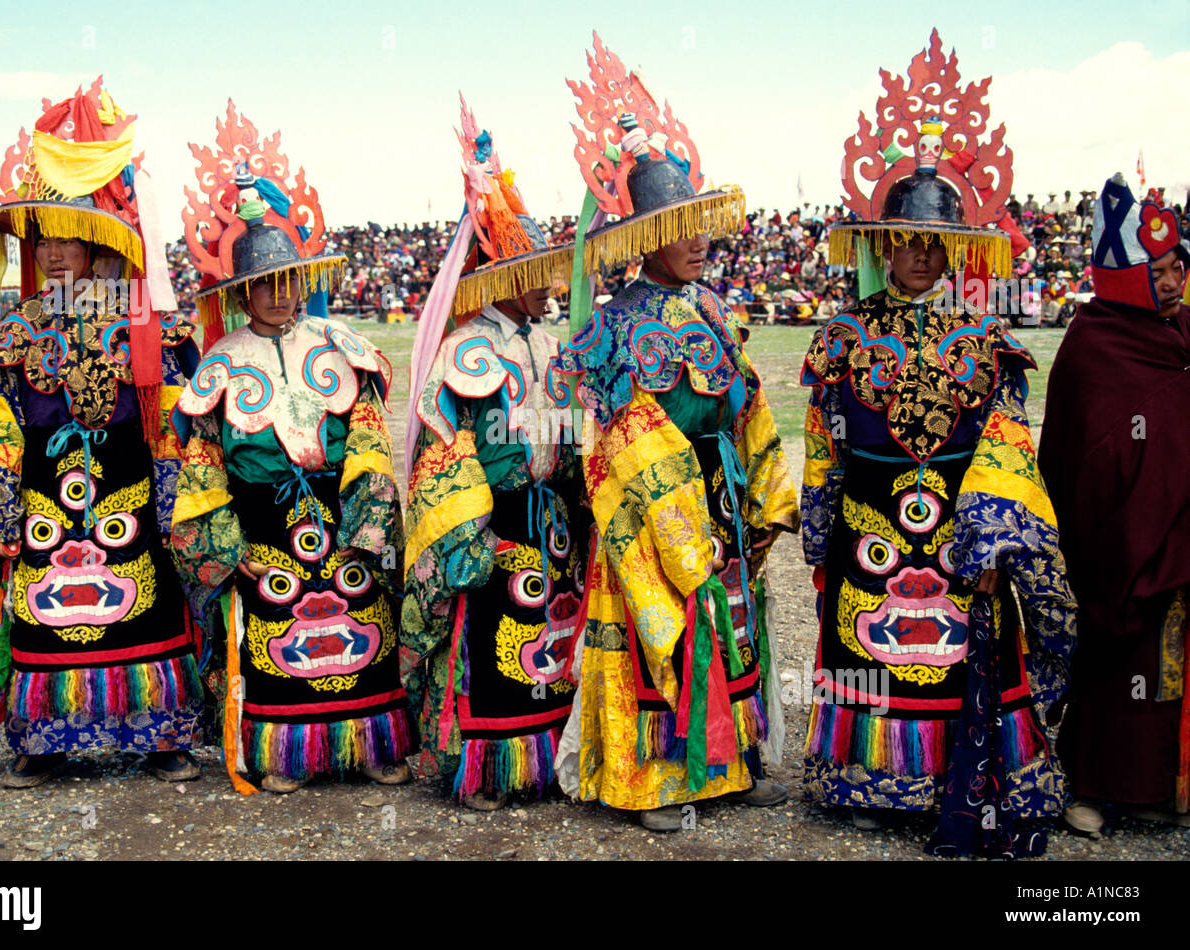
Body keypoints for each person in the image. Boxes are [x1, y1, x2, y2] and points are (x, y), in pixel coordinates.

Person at [805, 33, 1075, 858]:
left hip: (962, 521)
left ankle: (958, 779)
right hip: (871, 525)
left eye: (935, 243)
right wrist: (821, 522)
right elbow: (822, 441)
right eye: (907, 240)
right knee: (870, 648)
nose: (920, 256)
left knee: (958, 646)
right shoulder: (841, 336)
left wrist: (992, 530)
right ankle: (864, 782)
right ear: (883, 243)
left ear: (956, 248)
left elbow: (1006, 443)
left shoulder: (990, 342)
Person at [552, 33, 799, 832]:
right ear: (641, 237)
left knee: (728, 622)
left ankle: (736, 760)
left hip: (714, 495)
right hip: (645, 514)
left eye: (702, 224)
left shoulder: (717, 312)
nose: (698, 239)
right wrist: (636, 485)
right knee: (664, 635)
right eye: (680, 226)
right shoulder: (609, 326)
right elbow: (570, 421)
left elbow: (746, 402)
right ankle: (658, 777)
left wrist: (758, 483)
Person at [0, 81, 203, 787]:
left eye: (69, 235)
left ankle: (162, 736)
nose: (54, 251)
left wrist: (173, 503)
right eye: (43, 237)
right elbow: (1, 430)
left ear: (102, 239)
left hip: (131, 499)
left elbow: (173, 427)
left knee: (148, 611)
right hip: (47, 510)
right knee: (44, 616)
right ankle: (44, 740)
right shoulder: (14, 333)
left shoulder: (152, 325)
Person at [169, 104, 413, 794]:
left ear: (304, 278)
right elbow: (203, 462)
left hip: (340, 513)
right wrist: (224, 538)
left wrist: (369, 515)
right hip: (263, 524)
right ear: (242, 292)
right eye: (263, 286)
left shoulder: (342, 346)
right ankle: (285, 752)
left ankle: (373, 742)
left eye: (288, 280)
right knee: (278, 634)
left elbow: (366, 429)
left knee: (361, 619)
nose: (279, 296)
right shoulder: (220, 363)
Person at [402, 100, 583, 810]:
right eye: (538, 271)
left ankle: (550, 758)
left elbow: (571, 431)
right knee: (495, 640)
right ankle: (487, 767)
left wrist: (580, 483)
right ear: (507, 277)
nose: (551, 283)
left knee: (554, 635)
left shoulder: (547, 341)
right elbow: (449, 449)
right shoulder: (467, 348)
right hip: (495, 520)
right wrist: (468, 529)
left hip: (552, 519)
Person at [1039, 173, 1190, 832]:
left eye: (1179, 265)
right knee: (1116, 666)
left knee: (1171, 669)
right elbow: (1081, 457)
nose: (1174, 280)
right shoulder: (1092, 345)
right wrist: (1121, 527)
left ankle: (1166, 786)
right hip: (1113, 545)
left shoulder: (1182, 334)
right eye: (1157, 270)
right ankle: (1099, 787)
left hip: (1180, 540)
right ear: (1123, 274)